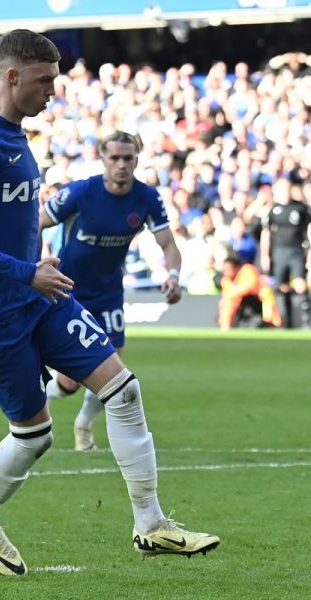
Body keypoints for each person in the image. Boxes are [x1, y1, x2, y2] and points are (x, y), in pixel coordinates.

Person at [0, 30, 218, 577]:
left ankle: (151, 523)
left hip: (41, 296)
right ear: (12, 76)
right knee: (34, 437)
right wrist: (26, 271)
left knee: (124, 390)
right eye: (44, 80)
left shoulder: (14, 133)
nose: (53, 91)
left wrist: (34, 267)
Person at [39, 130, 183, 452]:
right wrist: (35, 267)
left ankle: (83, 424)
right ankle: (39, 398)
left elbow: (169, 244)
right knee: (70, 383)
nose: (121, 164)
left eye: (128, 158)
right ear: (102, 158)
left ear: (137, 160)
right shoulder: (79, 192)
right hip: (68, 292)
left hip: (108, 294)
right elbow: (37, 223)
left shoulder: (146, 197)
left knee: (113, 371)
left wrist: (173, 275)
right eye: (115, 158)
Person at [260, 177, 311, 328]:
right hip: (279, 251)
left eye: (286, 188)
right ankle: (284, 321)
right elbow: (266, 233)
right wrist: (265, 255)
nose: (284, 192)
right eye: (281, 189)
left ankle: (305, 321)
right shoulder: (272, 210)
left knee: (300, 284)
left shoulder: (300, 208)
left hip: (296, 251)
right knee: (280, 286)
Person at [217, 252, 282, 330]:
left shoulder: (248, 270)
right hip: (243, 306)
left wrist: (233, 289)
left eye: (228, 269)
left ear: (235, 266)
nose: (226, 272)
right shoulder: (227, 279)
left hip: (258, 301)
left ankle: (274, 325)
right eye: (225, 270)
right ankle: (225, 326)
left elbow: (249, 287)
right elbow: (228, 295)